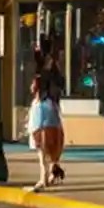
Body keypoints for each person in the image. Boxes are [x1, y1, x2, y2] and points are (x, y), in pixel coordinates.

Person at [27, 51, 65, 190]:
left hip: (42, 108)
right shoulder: (56, 75)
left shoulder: (41, 75)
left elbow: (34, 89)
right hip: (53, 109)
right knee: (54, 143)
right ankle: (53, 170)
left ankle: (44, 177)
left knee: (41, 145)